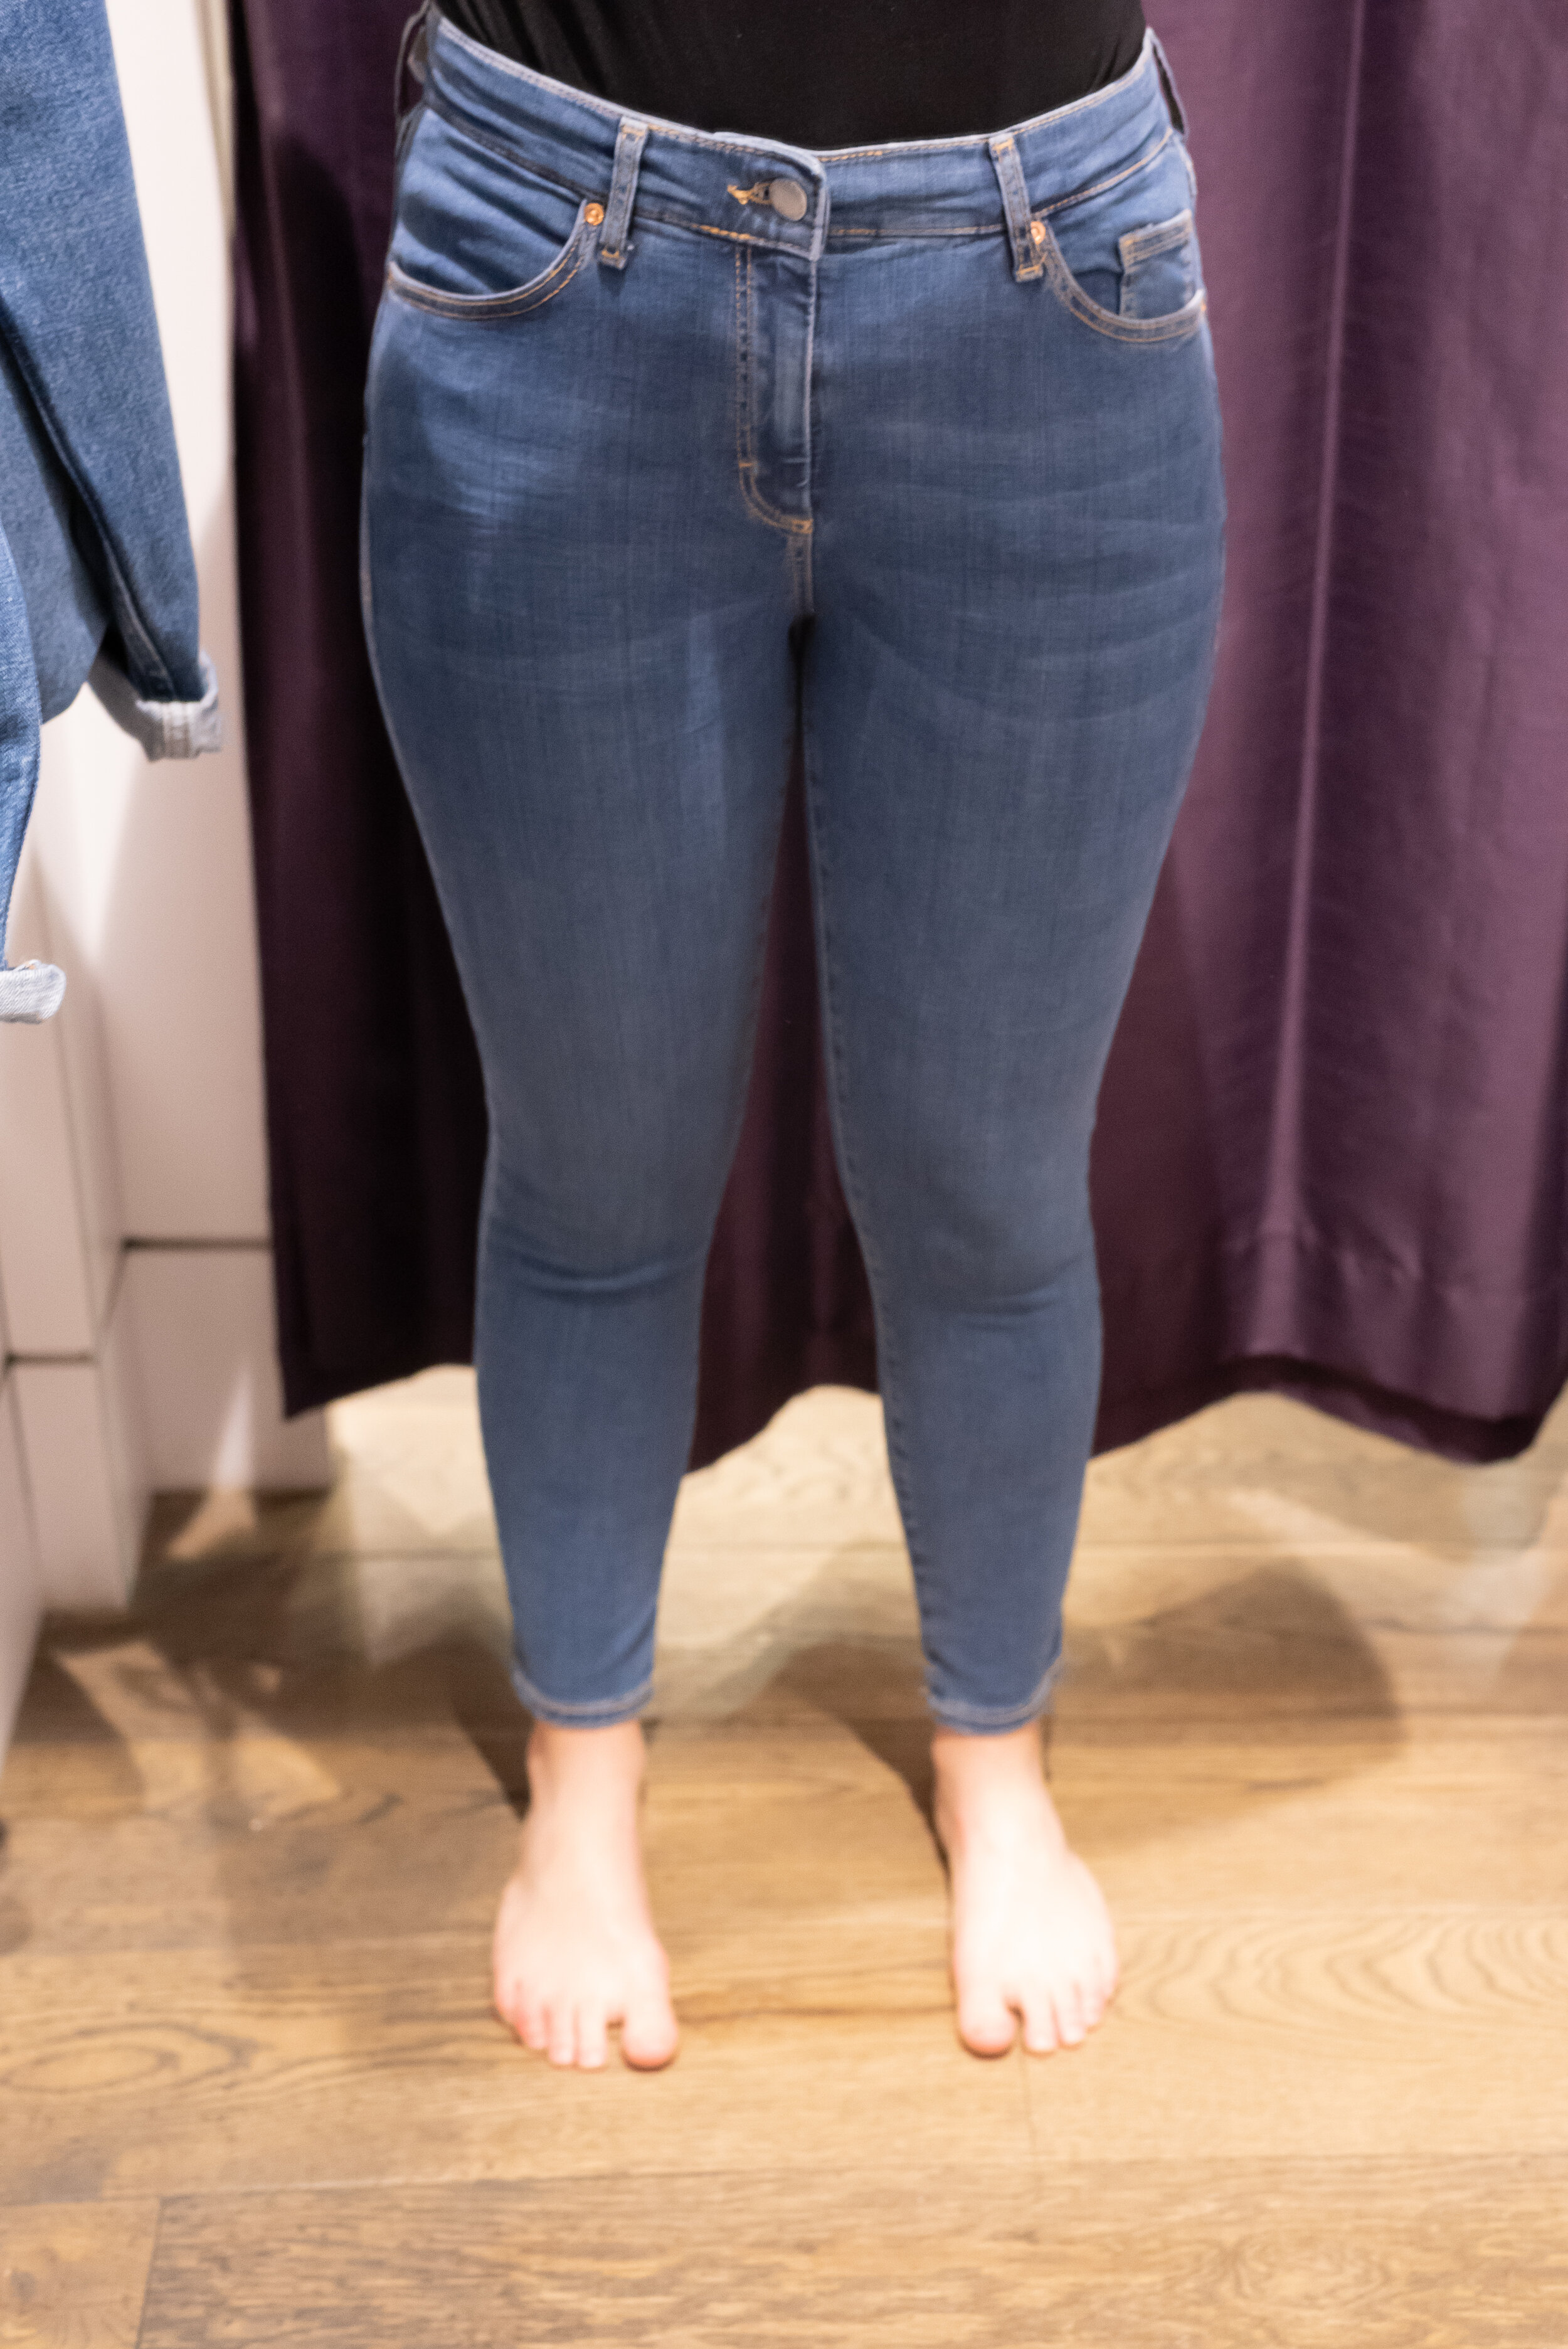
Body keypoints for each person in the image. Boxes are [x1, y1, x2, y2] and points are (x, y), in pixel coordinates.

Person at [362, 0, 1224, 2071]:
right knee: (594, 1170)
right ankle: (581, 1782)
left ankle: (995, 1758)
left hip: (1049, 281)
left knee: (987, 1182)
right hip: (561, 256)